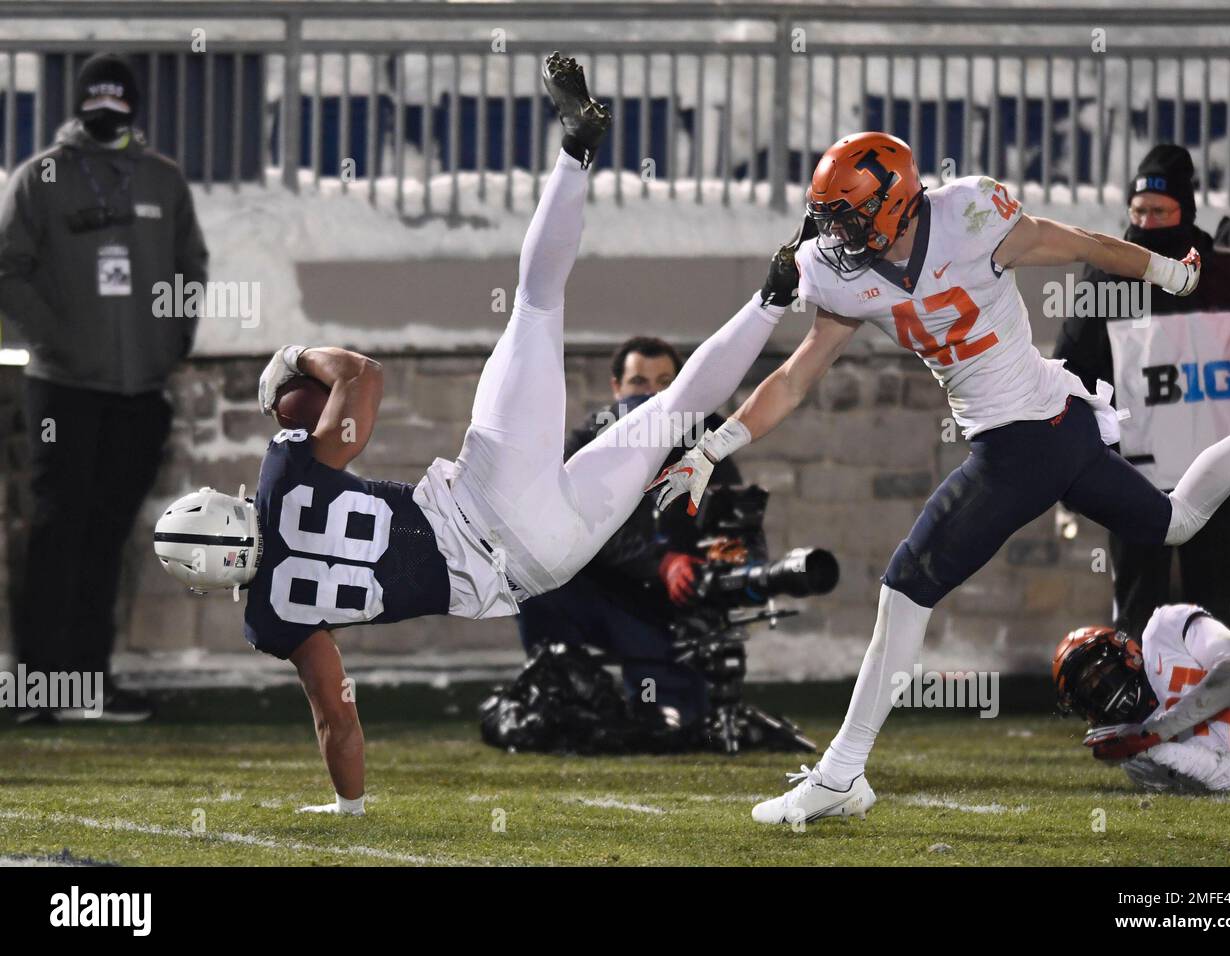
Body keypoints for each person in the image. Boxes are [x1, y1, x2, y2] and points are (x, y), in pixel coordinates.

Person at [150, 54, 798, 814]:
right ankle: (579, 153)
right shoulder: (285, 476)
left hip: (536, 566)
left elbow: (336, 714)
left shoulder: (273, 618)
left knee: (671, 414)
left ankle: (773, 299)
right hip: (488, 489)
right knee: (538, 306)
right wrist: (295, 358)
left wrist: (350, 806)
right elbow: (364, 376)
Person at [646, 131, 1230, 825]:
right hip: (1060, 428)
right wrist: (715, 445)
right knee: (1175, 521)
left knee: (905, 587)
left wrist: (1168, 275)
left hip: (1021, 441)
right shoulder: (845, 272)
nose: (837, 232)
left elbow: (1080, 242)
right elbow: (798, 375)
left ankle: (841, 775)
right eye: (830, 216)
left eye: (850, 215)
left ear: (895, 202)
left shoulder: (970, 214)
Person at [0, 53, 208, 722]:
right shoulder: (41, 177)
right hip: (62, 390)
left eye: (116, 109)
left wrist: (171, 343)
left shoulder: (163, 180)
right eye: (96, 107)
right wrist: (54, 338)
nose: (104, 120)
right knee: (54, 533)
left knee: (109, 539)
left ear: (133, 111)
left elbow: (190, 266)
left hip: (139, 392)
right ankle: (39, 688)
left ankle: (92, 684)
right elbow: (8, 268)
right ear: (79, 106)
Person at [1054, 145, 1230, 636]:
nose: (1147, 222)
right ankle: (1134, 710)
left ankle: (1221, 711)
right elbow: (1073, 370)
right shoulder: (1108, 276)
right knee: (1136, 609)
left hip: (1221, 473)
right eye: (1139, 211)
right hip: (1137, 474)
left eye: (1159, 212)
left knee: (1218, 612)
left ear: (1184, 213)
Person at [515, 336, 755, 730]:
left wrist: (716, 565)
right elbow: (568, 521)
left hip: (673, 604)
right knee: (535, 578)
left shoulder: (706, 442)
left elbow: (732, 527)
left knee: (676, 723)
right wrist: (659, 563)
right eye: (638, 384)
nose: (651, 395)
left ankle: (662, 689)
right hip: (608, 594)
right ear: (616, 388)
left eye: (664, 383)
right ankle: (559, 685)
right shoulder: (591, 439)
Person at [1052, 605, 1230, 792]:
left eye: (1104, 673)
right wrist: (1152, 749)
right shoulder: (1138, 763)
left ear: (1128, 651)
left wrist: (1158, 731)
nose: (1103, 691)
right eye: (1090, 692)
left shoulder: (1164, 628)